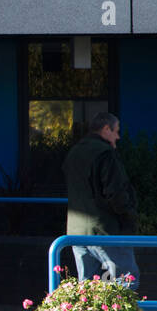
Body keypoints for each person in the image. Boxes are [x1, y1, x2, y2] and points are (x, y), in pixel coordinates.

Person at [63, 111, 142, 289]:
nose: (118, 137)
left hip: (77, 231)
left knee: (88, 287)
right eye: (116, 131)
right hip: (106, 229)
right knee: (125, 282)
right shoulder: (105, 154)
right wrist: (129, 218)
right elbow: (116, 193)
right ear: (106, 129)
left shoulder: (75, 152)